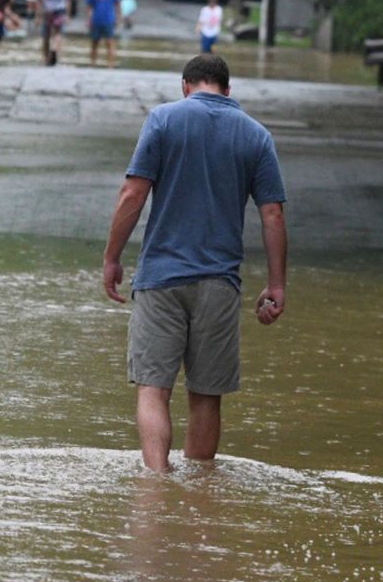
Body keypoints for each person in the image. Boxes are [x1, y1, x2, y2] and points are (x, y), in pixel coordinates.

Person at [102, 54, 288, 473]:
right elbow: (273, 214)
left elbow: (132, 194)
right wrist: (277, 285)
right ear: (228, 88)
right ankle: (199, 498)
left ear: (185, 86)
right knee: (205, 396)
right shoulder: (256, 136)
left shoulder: (164, 120)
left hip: (160, 279)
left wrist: (112, 257)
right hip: (220, 284)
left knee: (153, 390)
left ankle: (157, 487)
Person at [86, 0, 122, 67]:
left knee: (110, 42)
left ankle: (111, 64)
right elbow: (89, 6)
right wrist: (89, 19)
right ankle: (92, 63)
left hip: (109, 19)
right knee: (94, 42)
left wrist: (118, 18)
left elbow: (117, 4)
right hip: (96, 19)